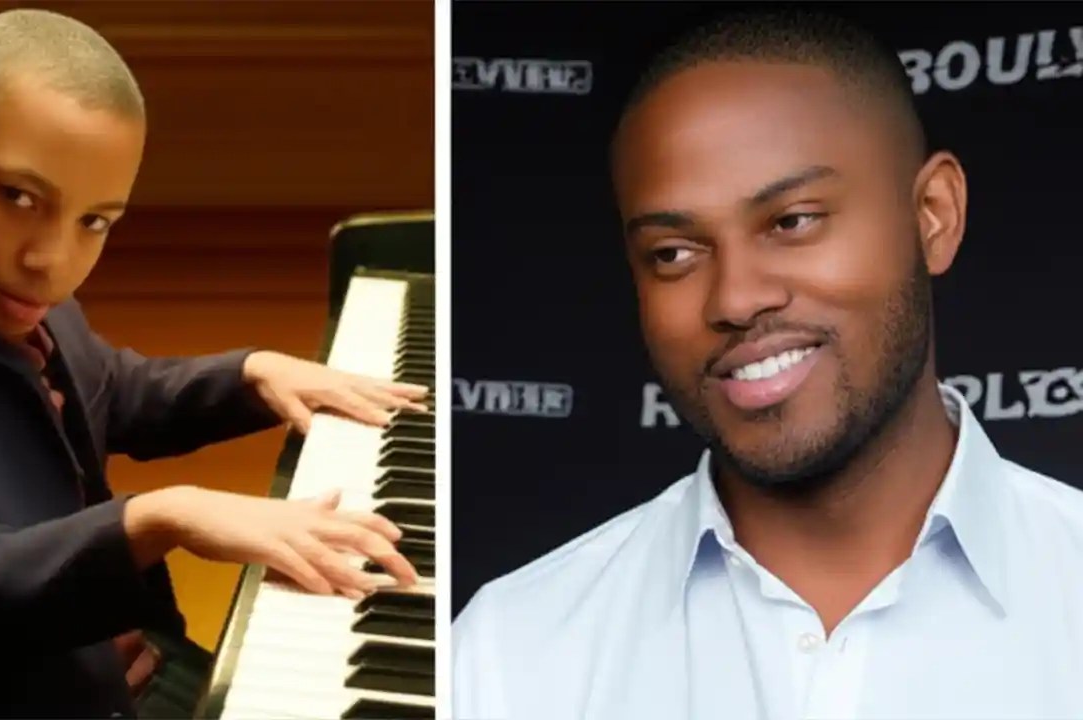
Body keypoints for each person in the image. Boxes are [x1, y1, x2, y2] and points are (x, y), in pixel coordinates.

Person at [451, 7, 1083, 720]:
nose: (736, 298)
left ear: (932, 215)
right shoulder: (511, 651)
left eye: (793, 221)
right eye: (674, 254)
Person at [0, 8, 427, 719]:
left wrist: (252, 372)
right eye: (17, 197)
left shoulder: (17, 293)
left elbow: (113, 388)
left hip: (126, 664)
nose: (51, 262)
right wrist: (162, 517)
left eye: (93, 221)